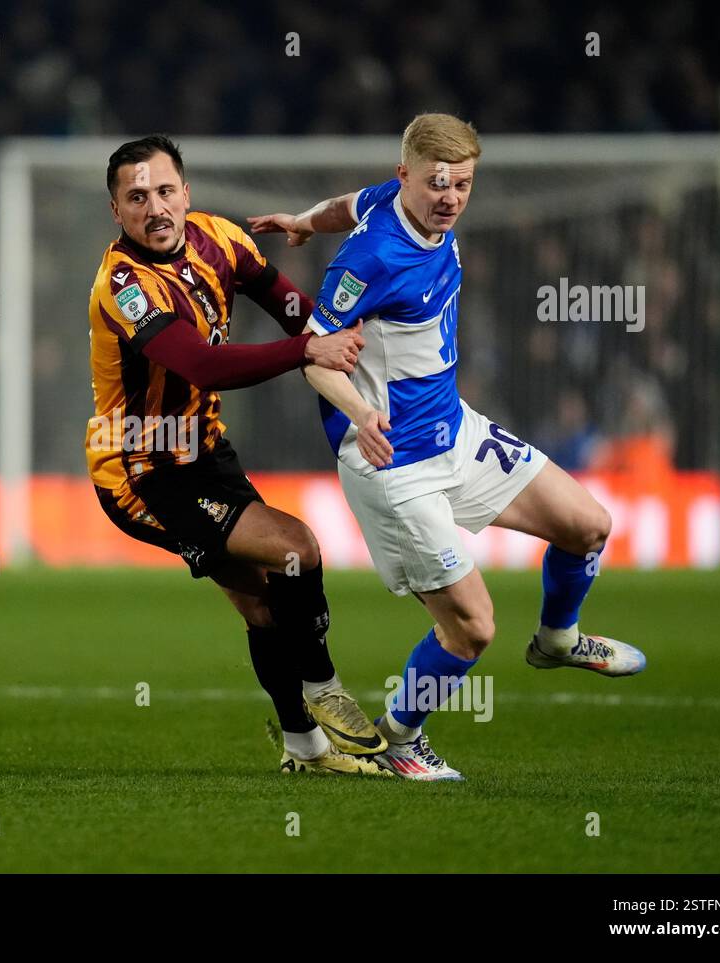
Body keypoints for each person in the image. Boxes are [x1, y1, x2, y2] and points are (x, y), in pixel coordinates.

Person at [250, 114, 646, 781]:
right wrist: (360, 412)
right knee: (472, 629)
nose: (451, 198)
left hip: (455, 432)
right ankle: (402, 735)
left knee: (588, 525)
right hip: (393, 461)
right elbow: (313, 356)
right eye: (438, 184)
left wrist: (300, 219)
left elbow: (346, 204)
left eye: (462, 185)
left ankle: (557, 639)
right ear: (407, 175)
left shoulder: (394, 199)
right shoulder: (371, 257)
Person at [87, 135, 388, 776]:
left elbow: (292, 310)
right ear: (117, 212)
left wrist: (334, 336)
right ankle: (323, 689)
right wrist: (307, 352)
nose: (155, 208)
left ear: (186, 194)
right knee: (297, 548)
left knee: (262, 605)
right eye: (137, 198)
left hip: (206, 451)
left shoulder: (220, 239)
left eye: (165, 191)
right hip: (143, 472)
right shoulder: (124, 285)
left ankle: (304, 748)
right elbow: (202, 364)